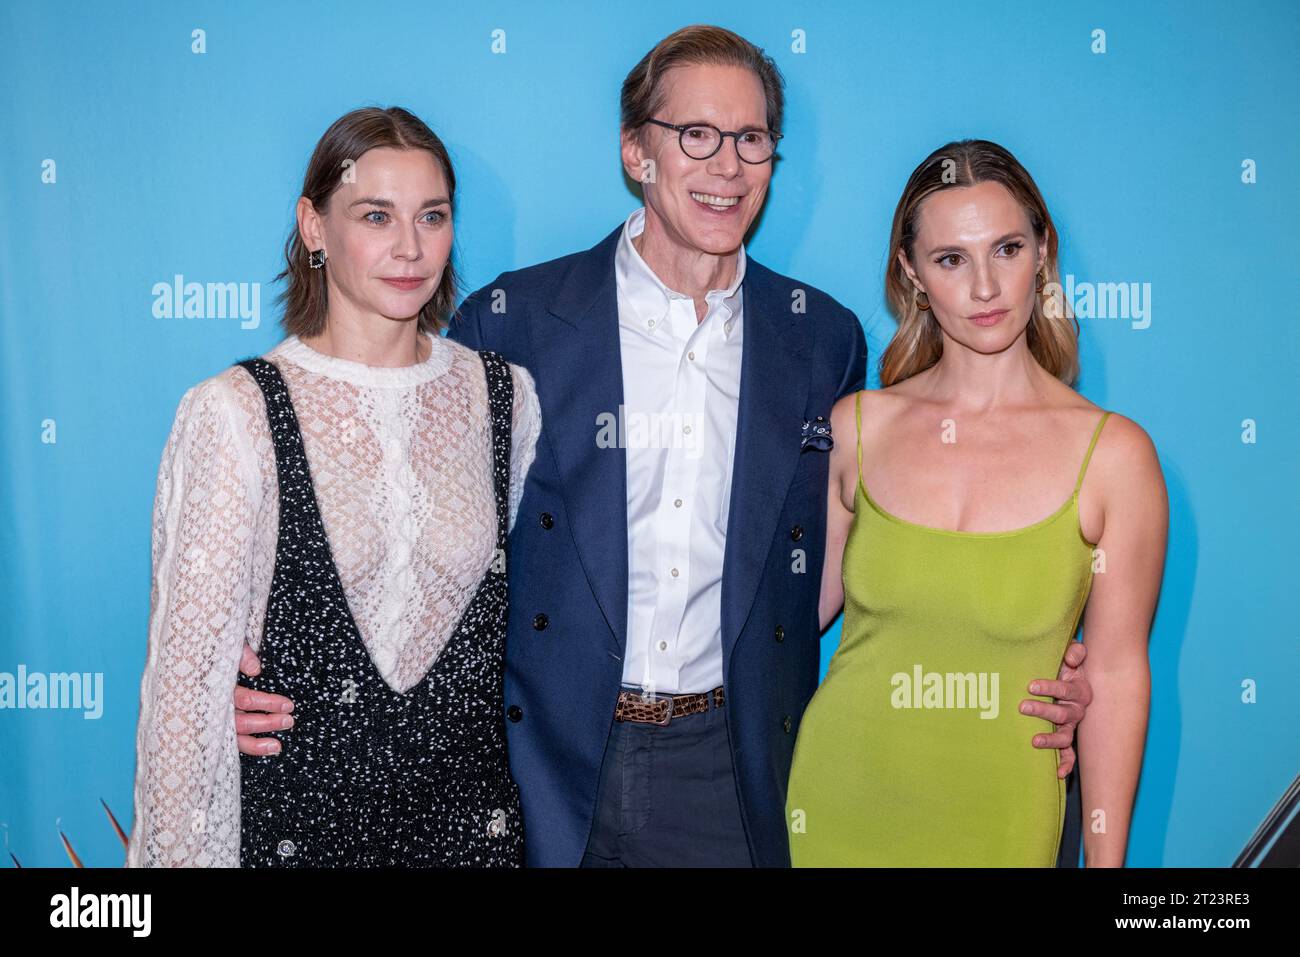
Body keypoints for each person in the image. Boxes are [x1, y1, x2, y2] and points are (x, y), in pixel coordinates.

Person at [237, 26, 1095, 868]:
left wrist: (1030, 669)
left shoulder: (820, 341)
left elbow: (856, 574)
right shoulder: (515, 325)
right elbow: (411, 533)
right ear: (635, 154)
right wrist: (279, 677)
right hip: (529, 771)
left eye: (751, 139)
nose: (726, 166)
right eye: (696, 135)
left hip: (732, 775)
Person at [127, 106, 540, 867]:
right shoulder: (236, 412)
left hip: (469, 834)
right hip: (297, 833)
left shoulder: (505, 399)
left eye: (433, 216)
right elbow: (184, 702)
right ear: (314, 226)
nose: (410, 247)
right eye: (375, 215)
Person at [786, 139, 1165, 866]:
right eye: (952, 258)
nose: (986, 287)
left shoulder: (1113, 456)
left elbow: (1116, 677)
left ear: (1042, 252)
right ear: (912, 272)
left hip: (1006, 819)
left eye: (1008, 248)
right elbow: (782, 627)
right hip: (836, 806)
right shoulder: (857, 428)